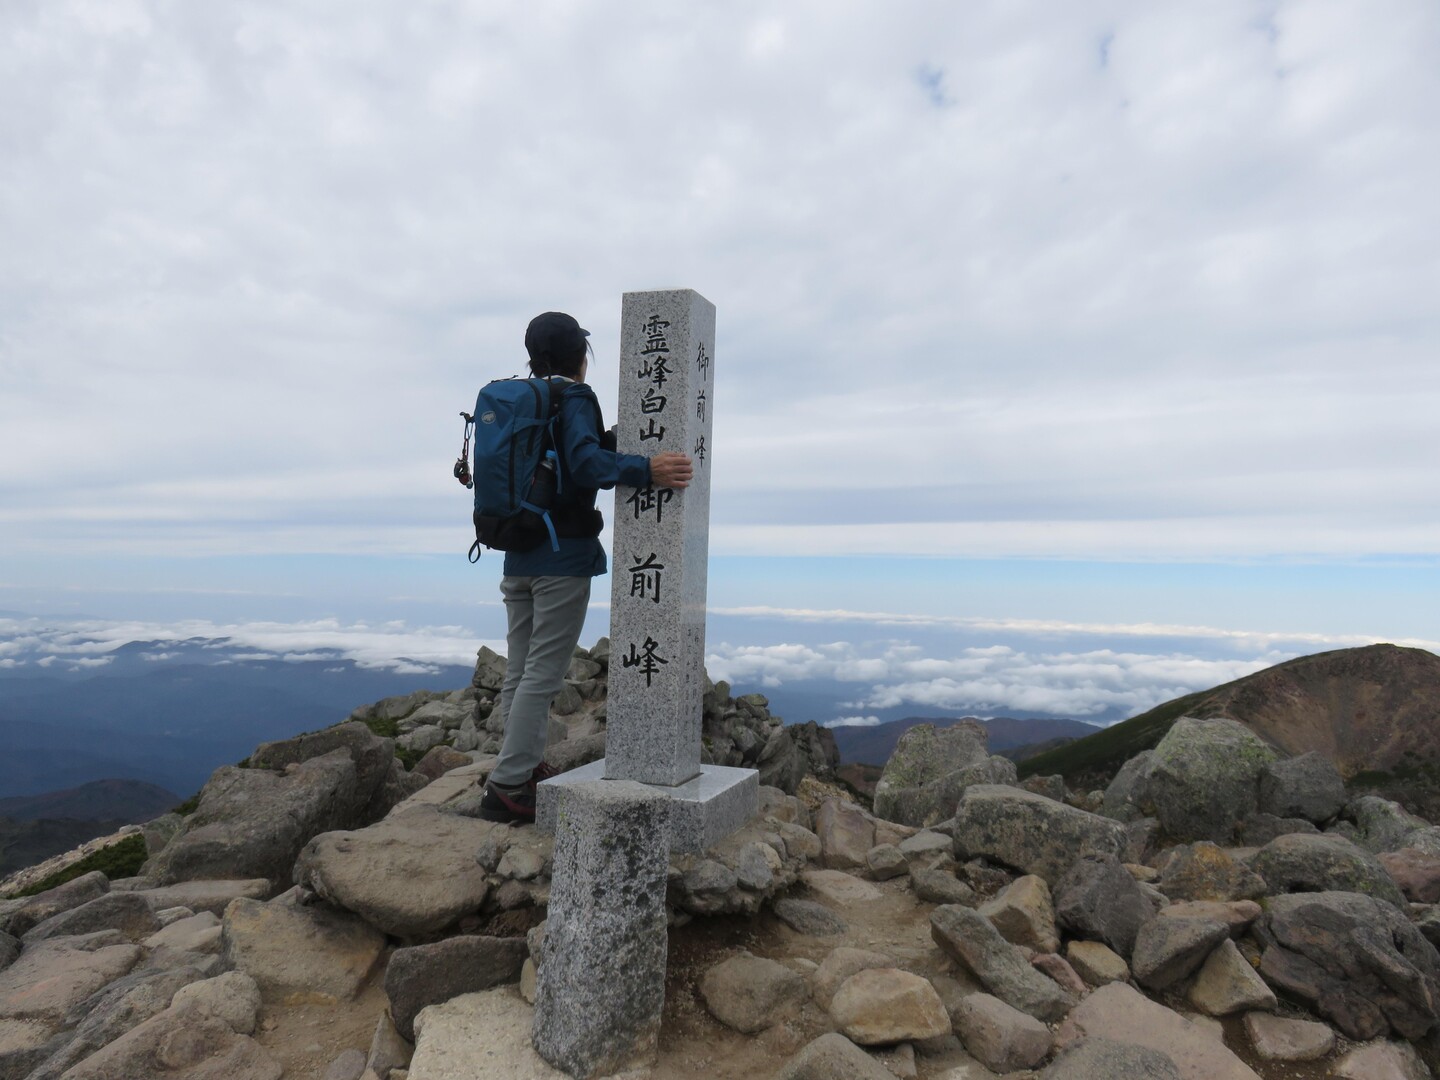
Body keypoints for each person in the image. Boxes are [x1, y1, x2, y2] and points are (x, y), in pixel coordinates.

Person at [479, 311, 693, 823]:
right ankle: (509, 786)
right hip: (561, 558)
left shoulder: (525, 399)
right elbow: (584, 464)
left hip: (518, 554)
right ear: (581, 356)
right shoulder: (574, 396)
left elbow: (570, 455)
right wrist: (648, 468)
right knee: (543, 676)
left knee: (521, 671)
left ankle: (521, 768)